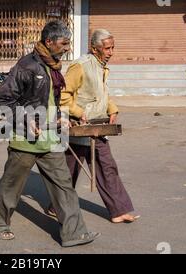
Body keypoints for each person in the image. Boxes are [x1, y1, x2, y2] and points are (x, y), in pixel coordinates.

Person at [0, 20, 100, 247]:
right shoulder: (27, 65)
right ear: (49, 42)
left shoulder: (53, 66)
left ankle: (74, 233)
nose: (68, 47)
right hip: (26, 140)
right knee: (12, 186)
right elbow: (4, 97)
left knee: (64, 187)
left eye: (68, 43)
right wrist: (25, 118)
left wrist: (61, 115)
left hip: (50, 138)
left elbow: (50, 99)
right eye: (64, 43)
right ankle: (0, 223)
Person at [47, 29, 140, 224]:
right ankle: (57, 207)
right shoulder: (81, 66)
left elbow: (101, 92)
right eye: (107, 48)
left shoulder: (101, 66)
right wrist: (79, 113)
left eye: (113, 47)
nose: (111, 52)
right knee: (69, 170)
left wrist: (112, 108)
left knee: (106, 166)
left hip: (96, 125)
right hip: (78, 125)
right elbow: (63, 94)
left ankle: (118, 210)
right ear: (94, 48)